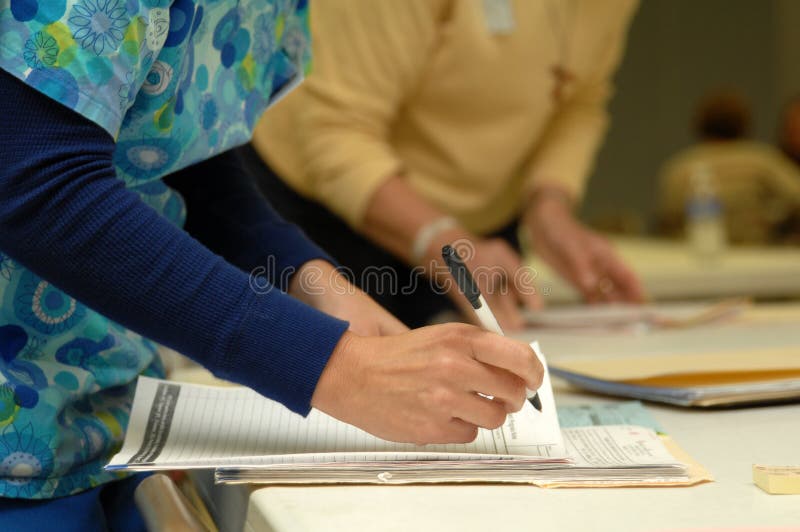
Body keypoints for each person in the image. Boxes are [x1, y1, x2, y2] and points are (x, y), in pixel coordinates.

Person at [0, 2, 542, 529]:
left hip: (106, 420)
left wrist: (312, 280)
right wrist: (334, 365)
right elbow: (37, 179)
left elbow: (175, 152)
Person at [245, 0, 644, 331]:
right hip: (319, 213)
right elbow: (337, 132)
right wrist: (446, 244)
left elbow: (580, 98)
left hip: (473, 236)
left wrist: (549, 205)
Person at [658, 90, 800, 244]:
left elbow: (668, 218)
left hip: (697, 253)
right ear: (744, 123)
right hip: (753, 254)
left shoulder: (680, 167)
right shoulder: (761, 161)